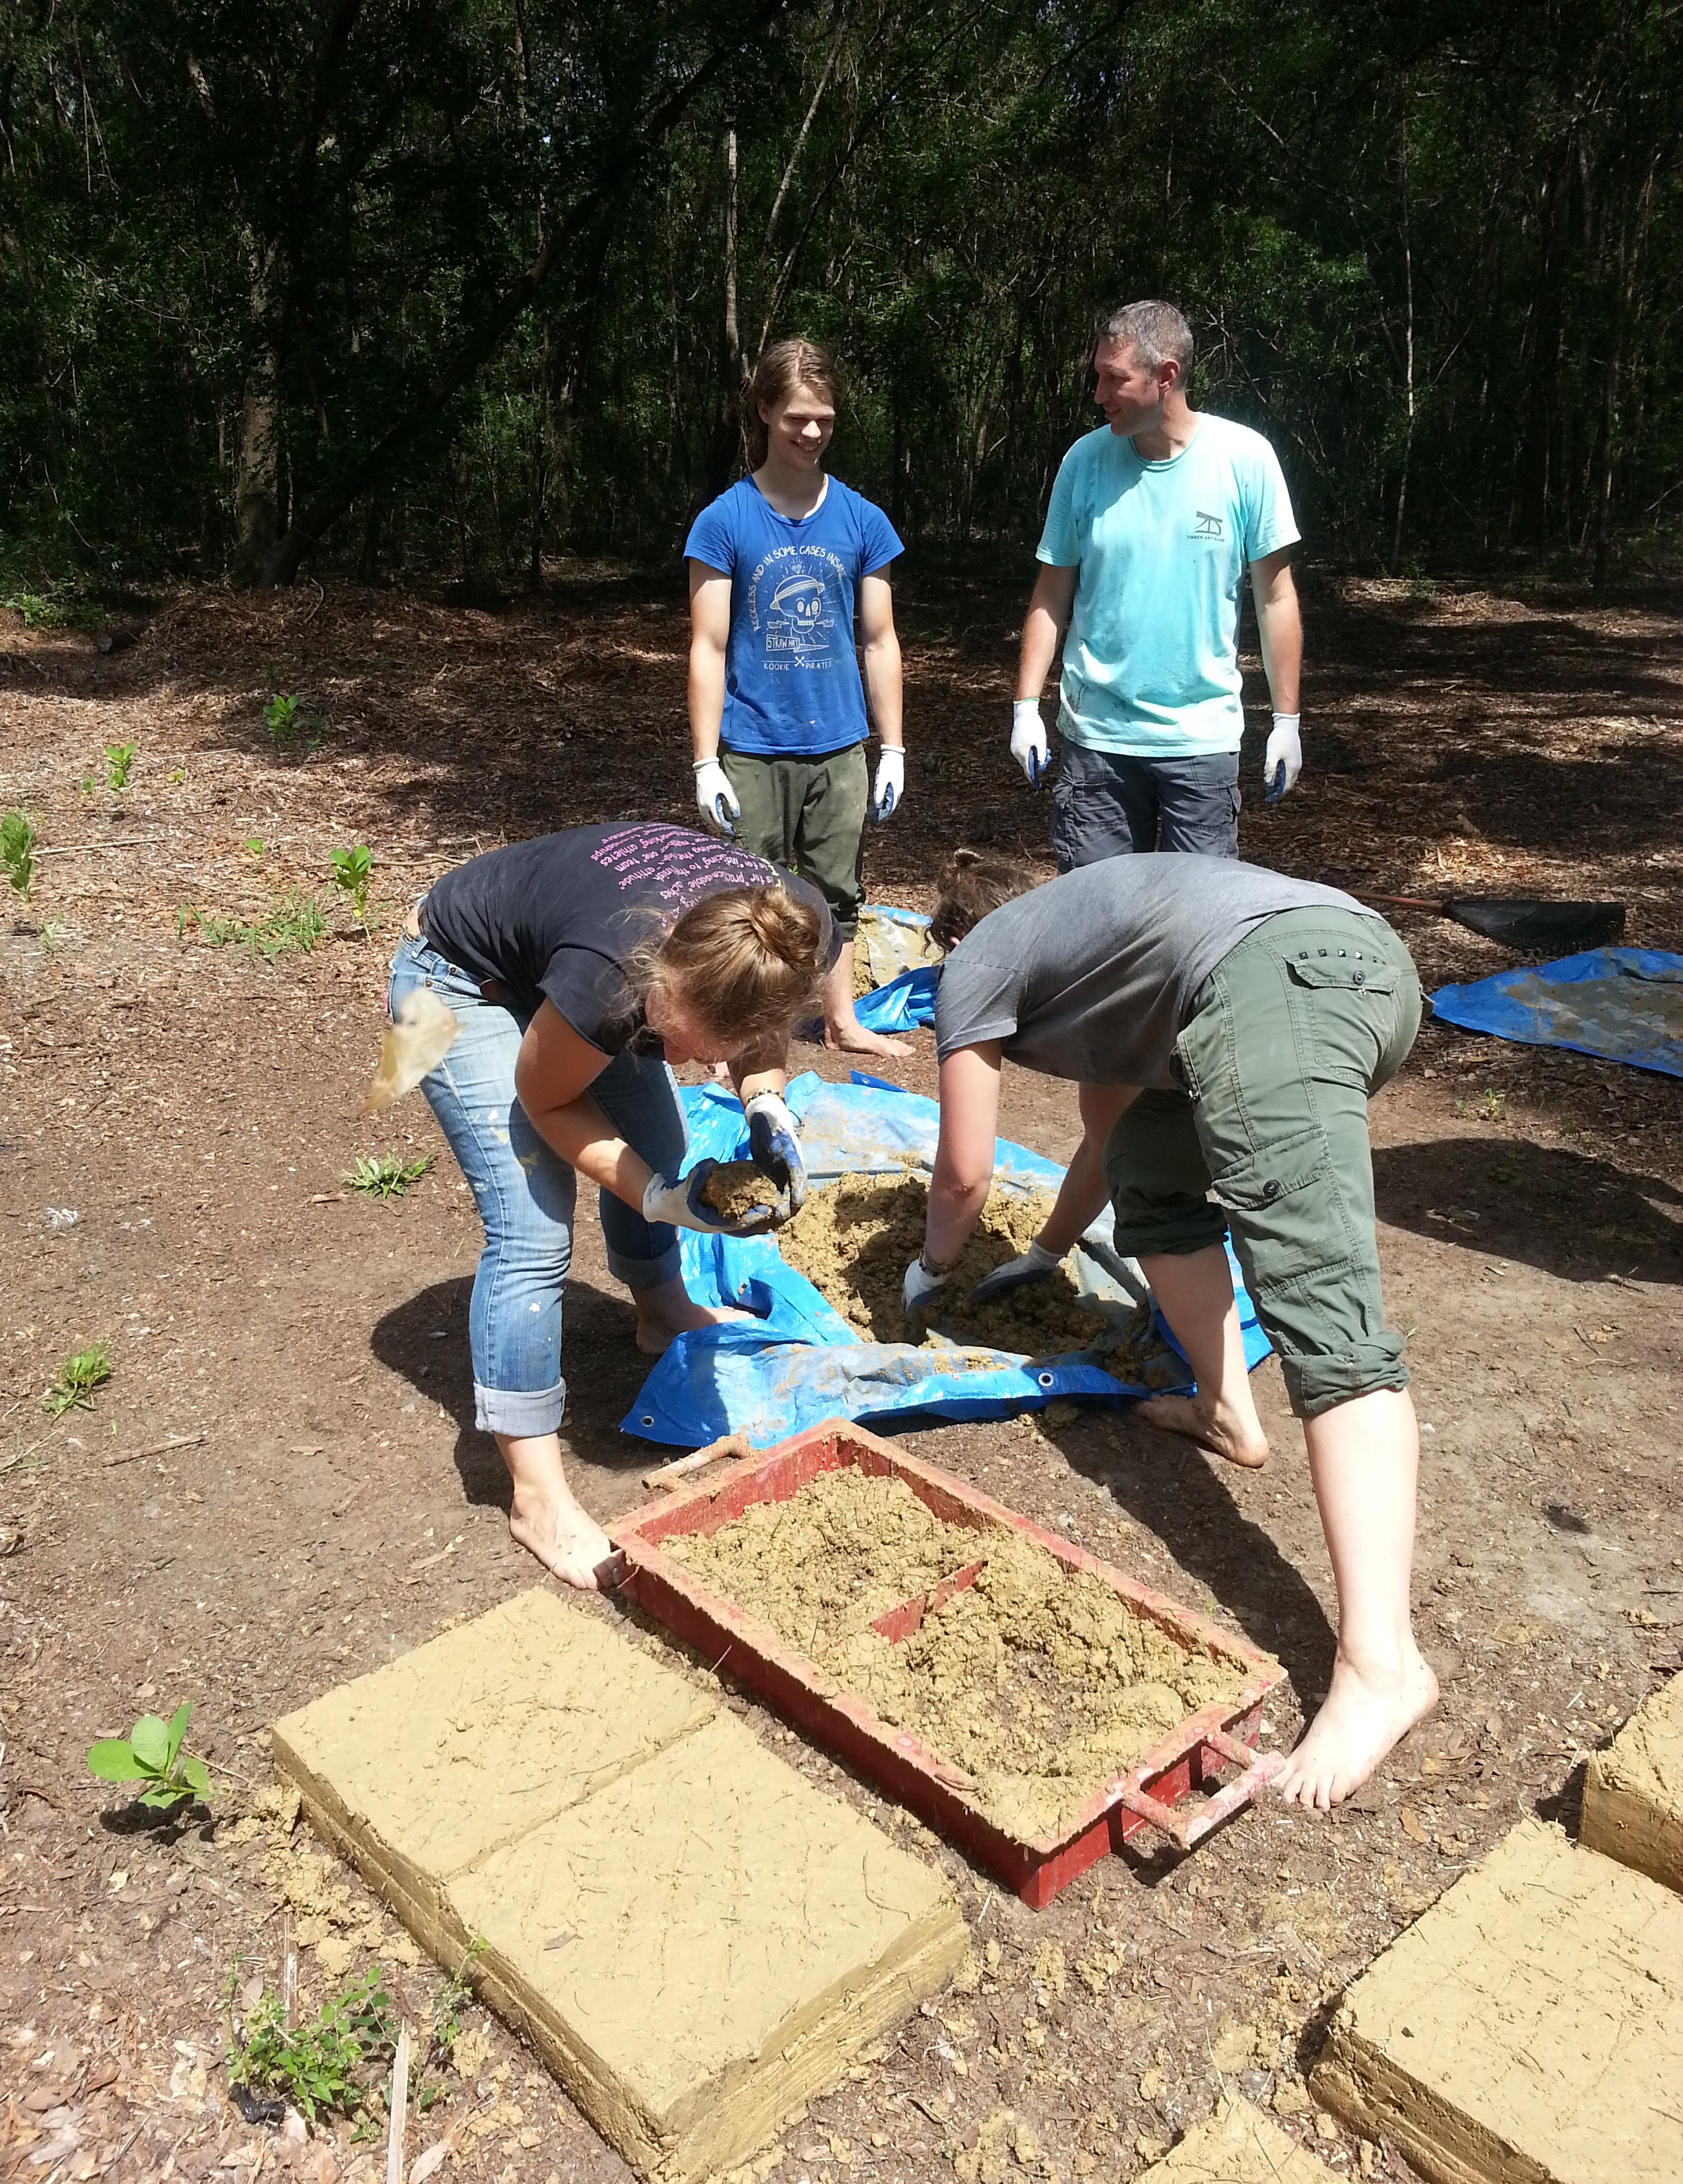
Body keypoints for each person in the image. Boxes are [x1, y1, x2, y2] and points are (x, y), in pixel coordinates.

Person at [905, 847, 1436, 1811]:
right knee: (1158, 1156)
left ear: (950, 940)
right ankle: (1228, 1408)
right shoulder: (1098, 945)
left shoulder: (974, 965)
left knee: (1327, 1313)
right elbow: (1112, 1144)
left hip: (1278, 980)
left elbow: (964, 1174)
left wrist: (934, 1267)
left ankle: (1382, 1662)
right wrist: (1049, 1248)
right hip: (1354, 959)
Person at [388, 820, 837, 1590]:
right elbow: (548, 1099)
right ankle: (535, 1497)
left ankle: (660, 1311)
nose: (698, 1066)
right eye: (685, 1042)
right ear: (661, 985)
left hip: (570, 980)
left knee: (659, 1140)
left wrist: (767, 1102)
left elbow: (755, 1030)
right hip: (446, 982)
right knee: (531, 1224)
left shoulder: (795, 927)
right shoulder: (609, 982)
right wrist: (659, 1201)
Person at [1009, 300, 1304, 867]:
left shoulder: (1245, 460)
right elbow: (1051, 594)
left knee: (1198, 928)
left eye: (1113, 378)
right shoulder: (1084, 463)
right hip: (1097, 744)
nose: (1098, 393)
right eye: (1098, 375)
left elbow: (1276, 597)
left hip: (1202, 743)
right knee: (1099, 929)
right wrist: (1026, 706)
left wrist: (1286, 722)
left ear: (1166, 376)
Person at [685, 336, 908, 1060]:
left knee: (837, 892)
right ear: (764, 412)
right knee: (751, 899)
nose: (812, 433)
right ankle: (754, 1038)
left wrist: (894, 746)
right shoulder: (725, 521)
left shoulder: (862, 521)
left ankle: (842, 1022)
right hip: (752, 744)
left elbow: (879, 640)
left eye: (825, 420)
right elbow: (709, 647)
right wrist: (704, 760)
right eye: (797, 419)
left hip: (839, 744)